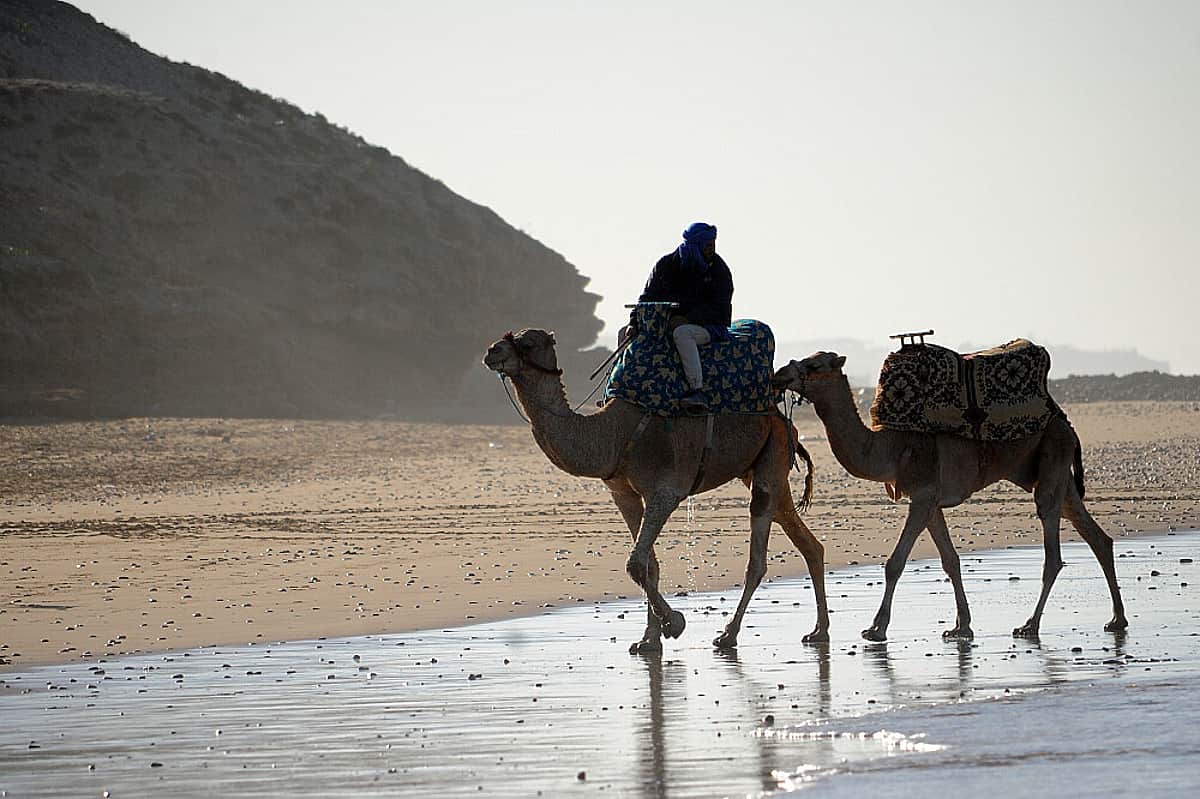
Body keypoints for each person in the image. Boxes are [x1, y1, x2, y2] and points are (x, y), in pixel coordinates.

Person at [633, 221, 733, 413]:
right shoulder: (666, 265)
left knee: (682, 333)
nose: (712, 249)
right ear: (696, 245)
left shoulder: (718, 271)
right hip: (665, 324)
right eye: (708, 245)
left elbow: (720, 308)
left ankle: (697, 390)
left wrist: (689, 318)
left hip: (709, 327)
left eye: (713, 244)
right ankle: (620, 391)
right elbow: (646, 298)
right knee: (626, 333)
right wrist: (633, 322)